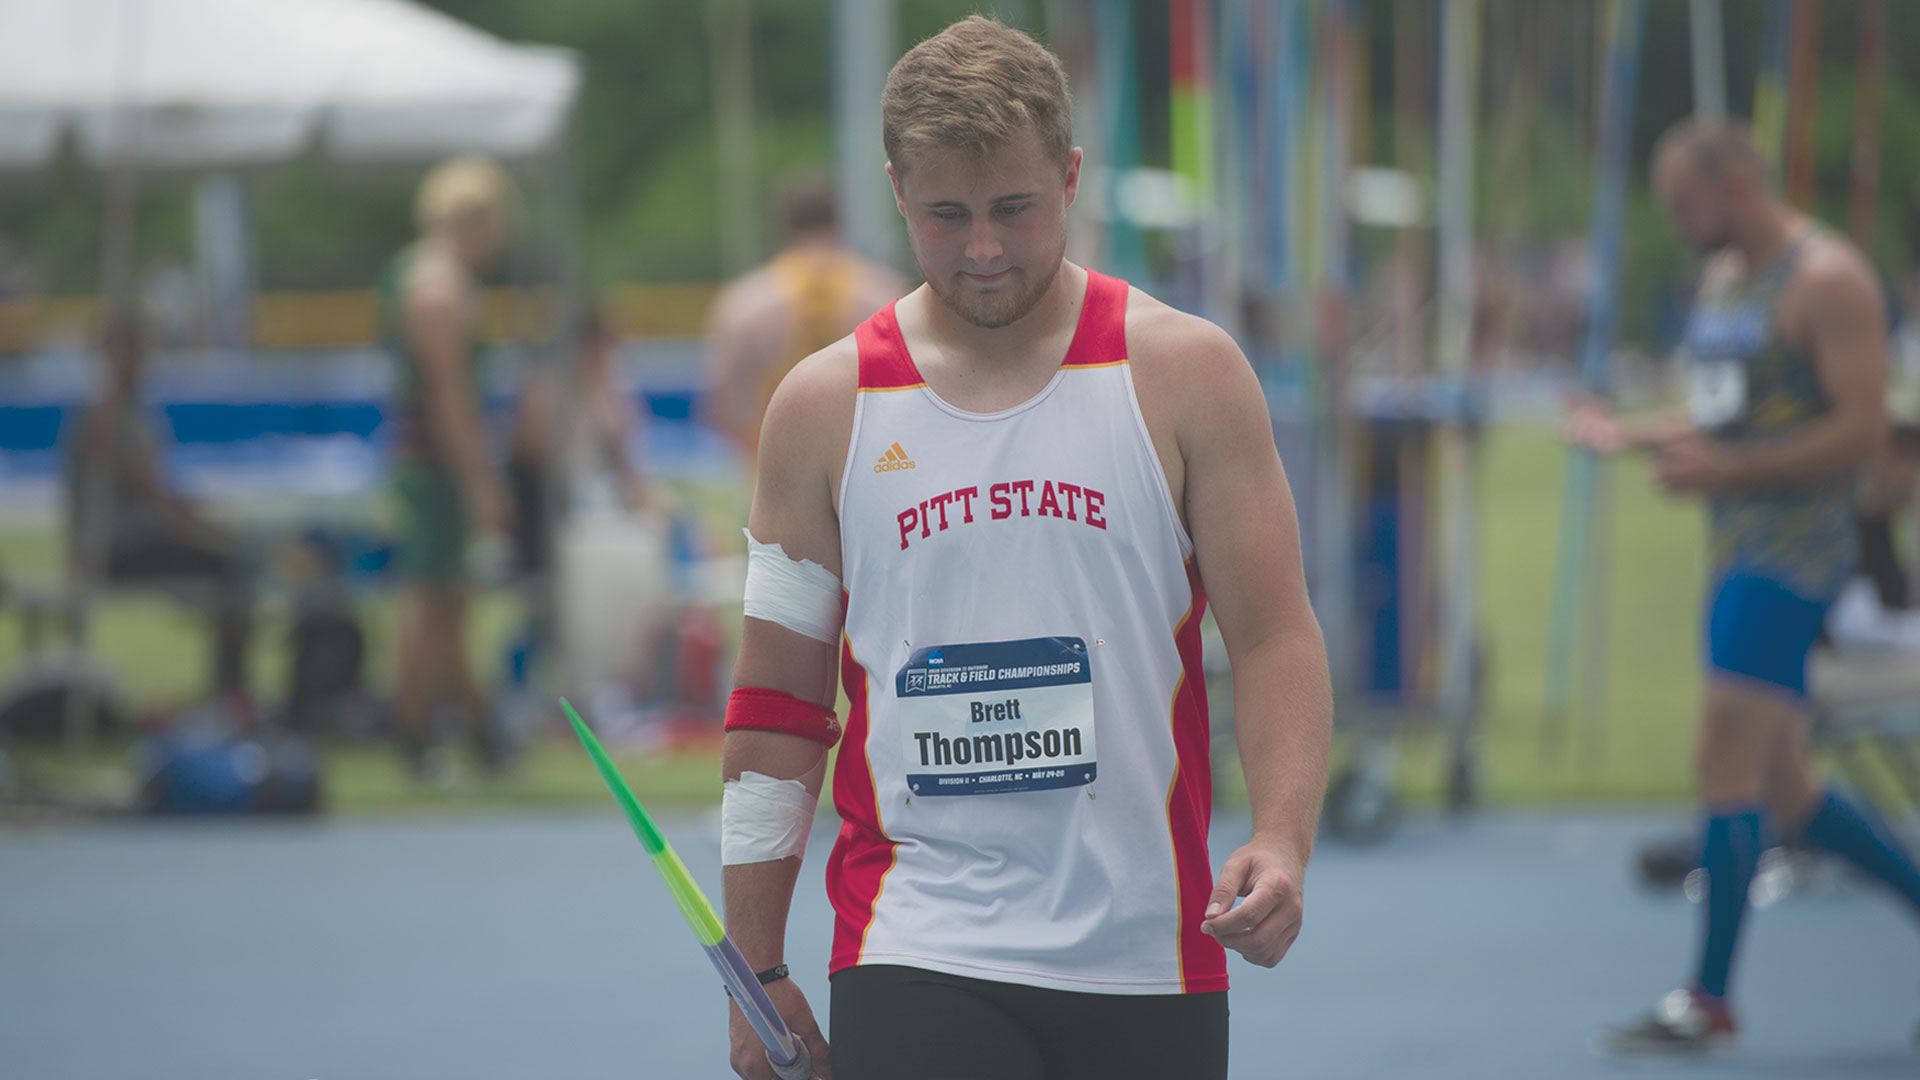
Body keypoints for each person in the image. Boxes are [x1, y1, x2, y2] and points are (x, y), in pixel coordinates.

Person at [718, 17, 1332, 1080]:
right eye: (947, 215)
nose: (985, 249)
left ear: (1073, 176)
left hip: (1148, 946)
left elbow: (1275, 635)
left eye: (1014, 208)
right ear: (897, 191)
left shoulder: (1187, 374)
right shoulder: (822, 407)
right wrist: (758, 968)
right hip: (916, 938)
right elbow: (776, 705)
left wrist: (1282, 838)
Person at [1568, 119, 1920, 1054]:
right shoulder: (1727, 280)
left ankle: (1709, 998)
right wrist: (1630, 434)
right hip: (1734, 546)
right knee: (1790, 790)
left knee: (1723, 750)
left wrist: (1728, 474)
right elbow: (1727, 410)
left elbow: (1861, 432)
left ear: (1732, 187)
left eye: (1684, 205)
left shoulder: (1830, 280)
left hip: (1797, 554)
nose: (1678, 223)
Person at [378, 156, 515, 780]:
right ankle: (418, 731)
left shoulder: (414, 274)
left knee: (441, 601)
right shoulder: (440, 288)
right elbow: (449, 397)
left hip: (425, 459)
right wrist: (479, 479)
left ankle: (464, 728)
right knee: (435, 603)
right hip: (436, 467)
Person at [66, 310, 253, 713]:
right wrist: (207, 529)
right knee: (230, 570)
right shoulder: (104, 416)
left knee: (230, 569)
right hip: (116, 549)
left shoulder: (132, 412)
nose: (143, 360)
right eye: (134, 349)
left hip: (137, 540)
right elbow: (151, 492)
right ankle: (230, 697)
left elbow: (158, 491)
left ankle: (228, 689)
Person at [702, 175, 907, 473]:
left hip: (776, 479)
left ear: (781, 227)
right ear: (840, 222)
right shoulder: (886, 294)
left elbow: (721, 410)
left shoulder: (743, 304)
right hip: (867, 475)